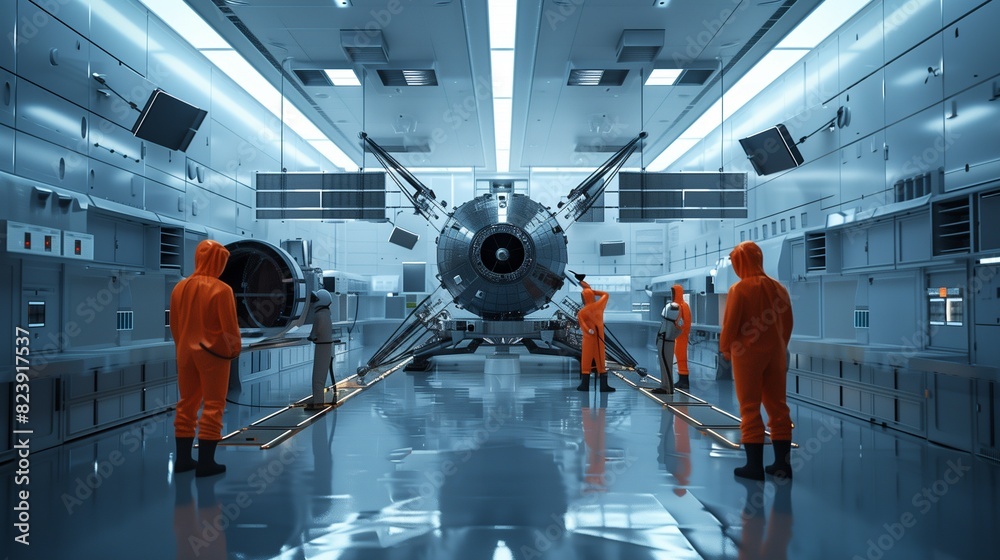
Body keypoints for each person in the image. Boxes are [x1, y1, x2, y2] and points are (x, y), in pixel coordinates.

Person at [720, 241, 794, 480]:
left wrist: (725, 348)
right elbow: (788, 323)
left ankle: (754, 466)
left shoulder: (739, 290)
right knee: (778, 407)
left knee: (749, 407)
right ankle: (782, 465)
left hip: (747, 355)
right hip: (777, 354)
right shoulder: (779, 288)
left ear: (741, 263)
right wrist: (780, 344)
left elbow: (730, 325)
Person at [170, 239, 242, 477]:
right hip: (212, 354)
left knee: (187, 402)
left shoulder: (179, 287)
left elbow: (175, 324)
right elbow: (230, 328)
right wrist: (234, 350)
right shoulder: (222, 290)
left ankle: (182, 460)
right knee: (213, 404)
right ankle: (206, 463)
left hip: (184, 352)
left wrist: (182, 345)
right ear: (218, 262)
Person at [573, 272, 614, 392]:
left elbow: (582, 325)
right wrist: (591, 290)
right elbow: (605, 294)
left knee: (586, 360)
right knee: (601, 359)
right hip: (599, 339)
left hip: (588, 339)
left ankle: (584, 385)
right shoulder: (599, 305)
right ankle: (603, 386)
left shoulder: (582, 312)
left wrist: (589, 330)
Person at [306, 289, 337, 410]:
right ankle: (317, 399)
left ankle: (318, 402)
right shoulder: (326, 313)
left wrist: (311, 336)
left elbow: (316, 331)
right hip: (325, 346)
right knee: (320, 375)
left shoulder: (320, 315)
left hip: (322, 346)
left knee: (318, 377)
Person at [651, 301, 683, 394]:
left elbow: (669, 334)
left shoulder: (671, 322)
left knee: (666, 365)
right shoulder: (671, 321)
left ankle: (668, 388)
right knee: (664, 365)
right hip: (664, 342)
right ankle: (665, 386)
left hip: (666, 342)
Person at [671, 284, 692, 390]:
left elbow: (684, 322)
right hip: (679, 335)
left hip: (681, 336)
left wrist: (678, 330)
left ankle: (684, 380)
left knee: (681, 356)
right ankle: (682, 378)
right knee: (679, 356)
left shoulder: (681, 306)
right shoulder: (680, 305)